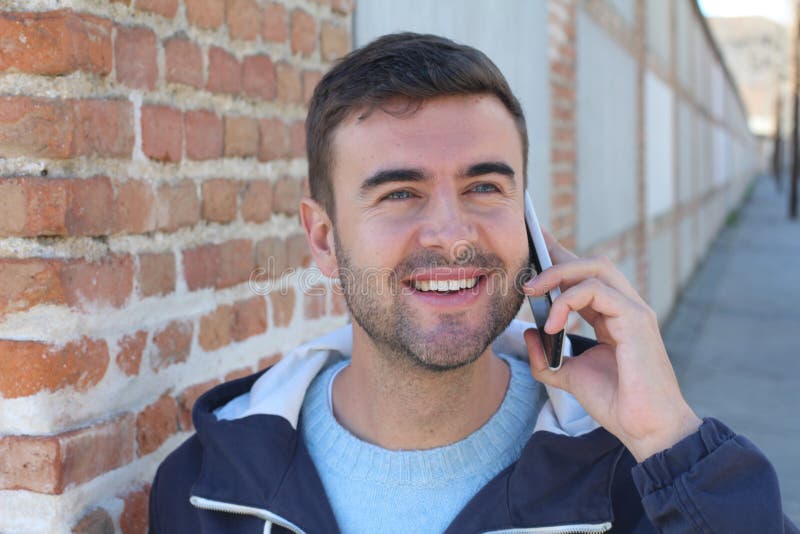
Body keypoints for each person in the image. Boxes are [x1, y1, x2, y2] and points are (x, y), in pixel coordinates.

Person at [148, 32, 796, 533]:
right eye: (400, 193)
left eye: (484, 187)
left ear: (530, 222)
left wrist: (669, 438)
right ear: (324, 240)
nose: (452, 234)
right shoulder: (207, 492)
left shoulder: (635, 478)